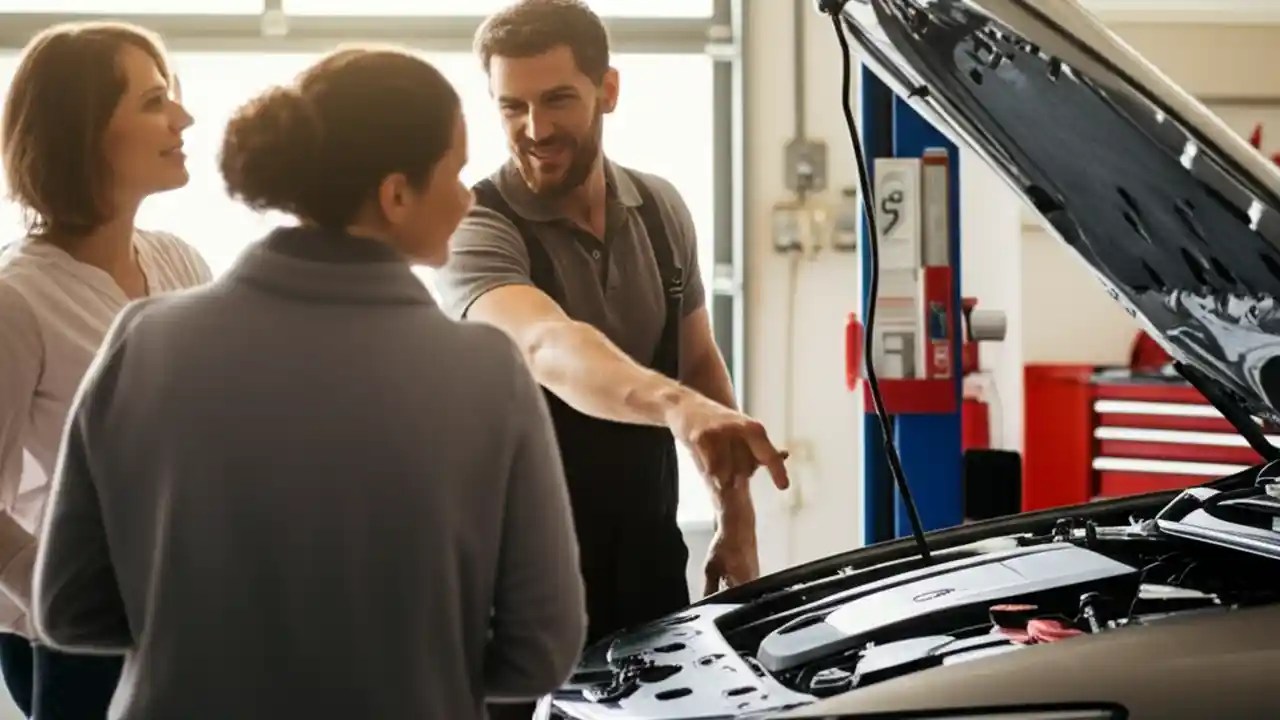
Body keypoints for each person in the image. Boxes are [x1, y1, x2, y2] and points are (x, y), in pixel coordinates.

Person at [31, 45, 587, 720]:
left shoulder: (142, 341)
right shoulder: (485, 371)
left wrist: (210, 642)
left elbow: (67, 608)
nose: (468, 198)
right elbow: (541, 651)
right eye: (457, 172)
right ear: (396, 194)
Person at [436, 0, 790, 703]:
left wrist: (735, 519)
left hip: (646, 558)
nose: (535, 130)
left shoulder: (660, 208)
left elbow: (699, 365)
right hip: (508, 578)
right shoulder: (472, 223)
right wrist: (674, 405)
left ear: (609, 90)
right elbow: (545, 346)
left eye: (557, 100)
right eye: (512, 106)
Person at [0, 21, 211, 719]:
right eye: (154, 101)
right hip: (75, 649)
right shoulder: (16, 299)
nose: (182, 117)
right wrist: (64, 596)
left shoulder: (179, 261)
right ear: (84, 129)